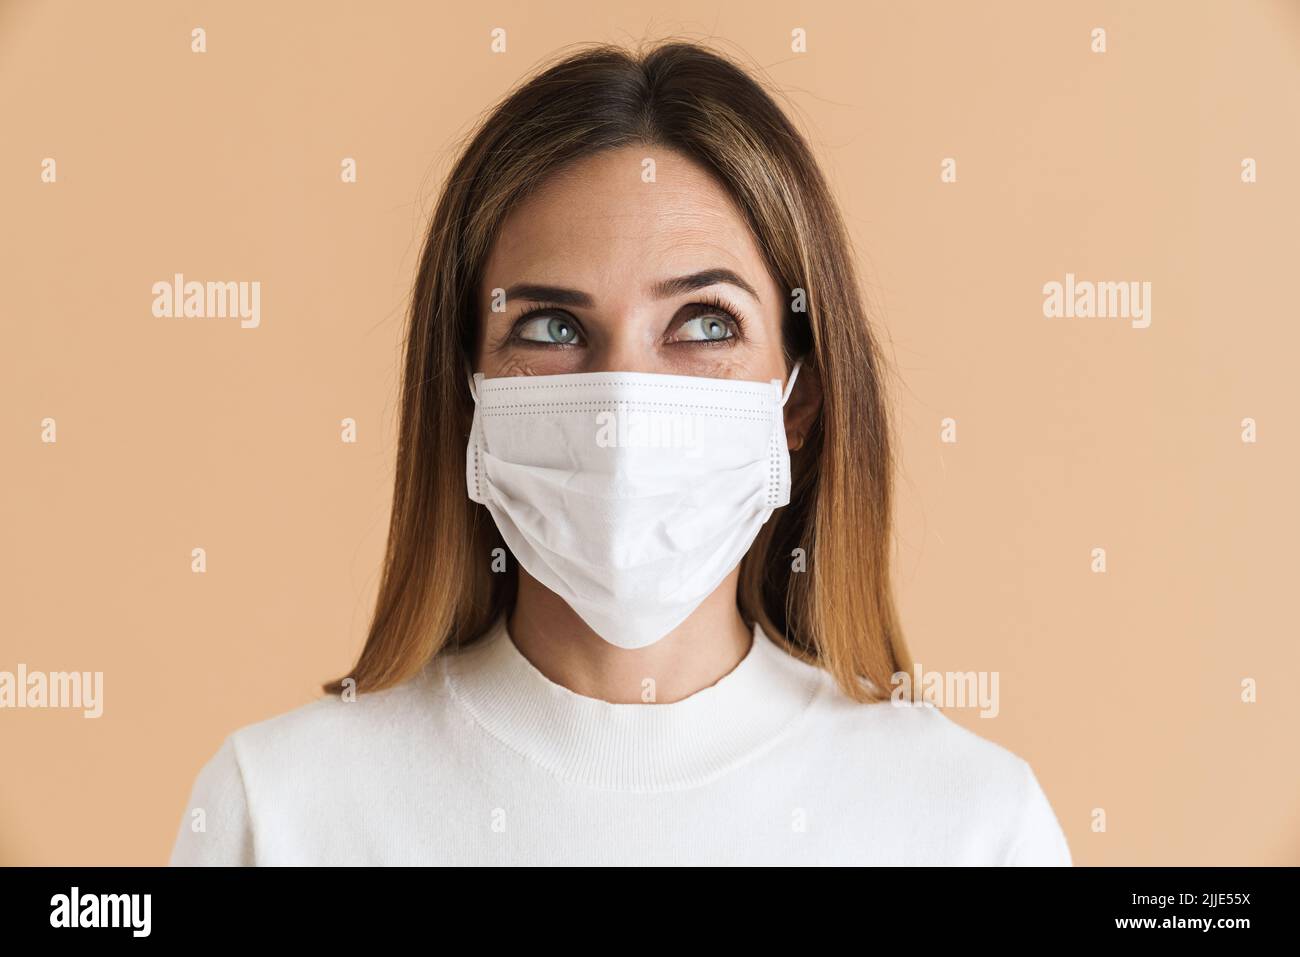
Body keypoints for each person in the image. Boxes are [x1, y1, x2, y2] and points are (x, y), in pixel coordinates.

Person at [168, 40, 1071, 866]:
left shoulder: (972, 826)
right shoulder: (278, 811)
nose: (621, 404)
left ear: (799, 399)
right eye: (552, 325)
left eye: (705, 322)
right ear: (469, 388)